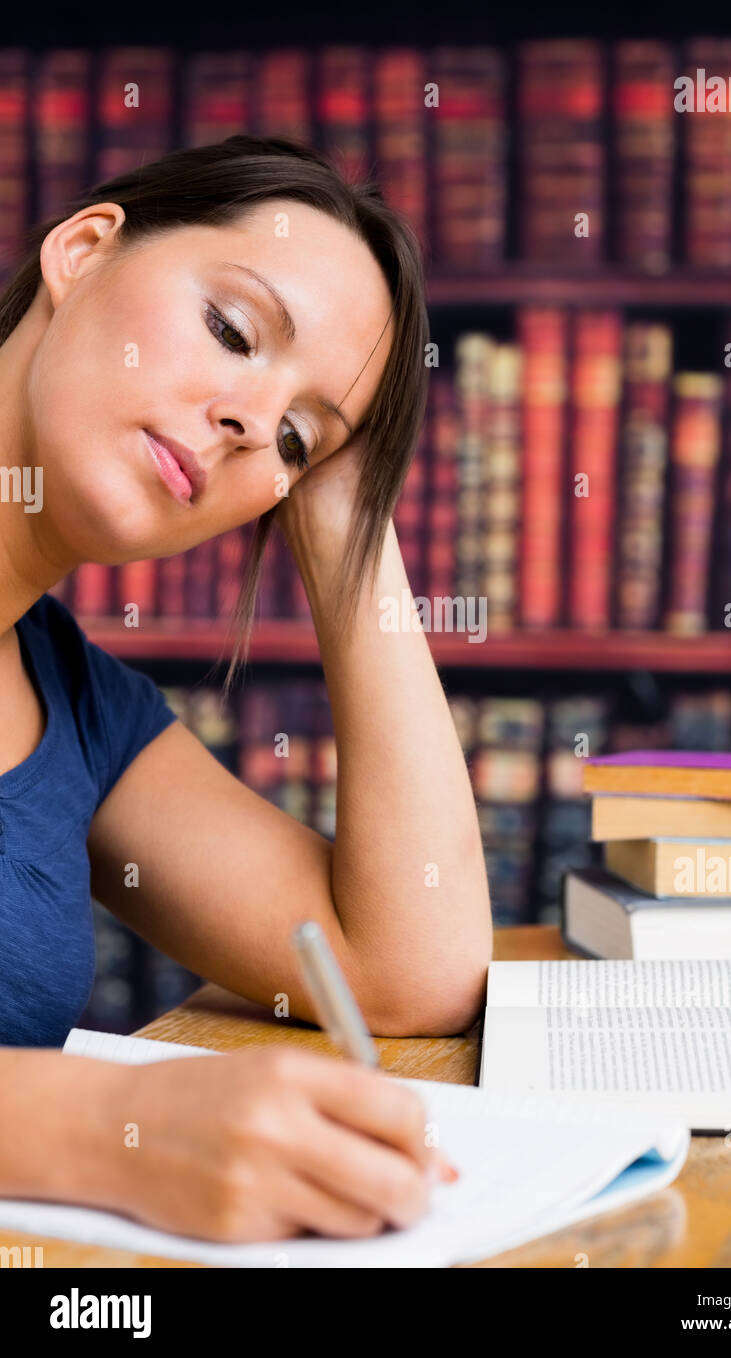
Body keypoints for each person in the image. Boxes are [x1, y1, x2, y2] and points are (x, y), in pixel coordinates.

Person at [0, 135, 492, 1243]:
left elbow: (408, 970)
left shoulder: (72, 708)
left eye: (290, 436)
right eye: (232, 330)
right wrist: (113, 1124)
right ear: (81, 249)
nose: (243, 425)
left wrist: (338, 504)